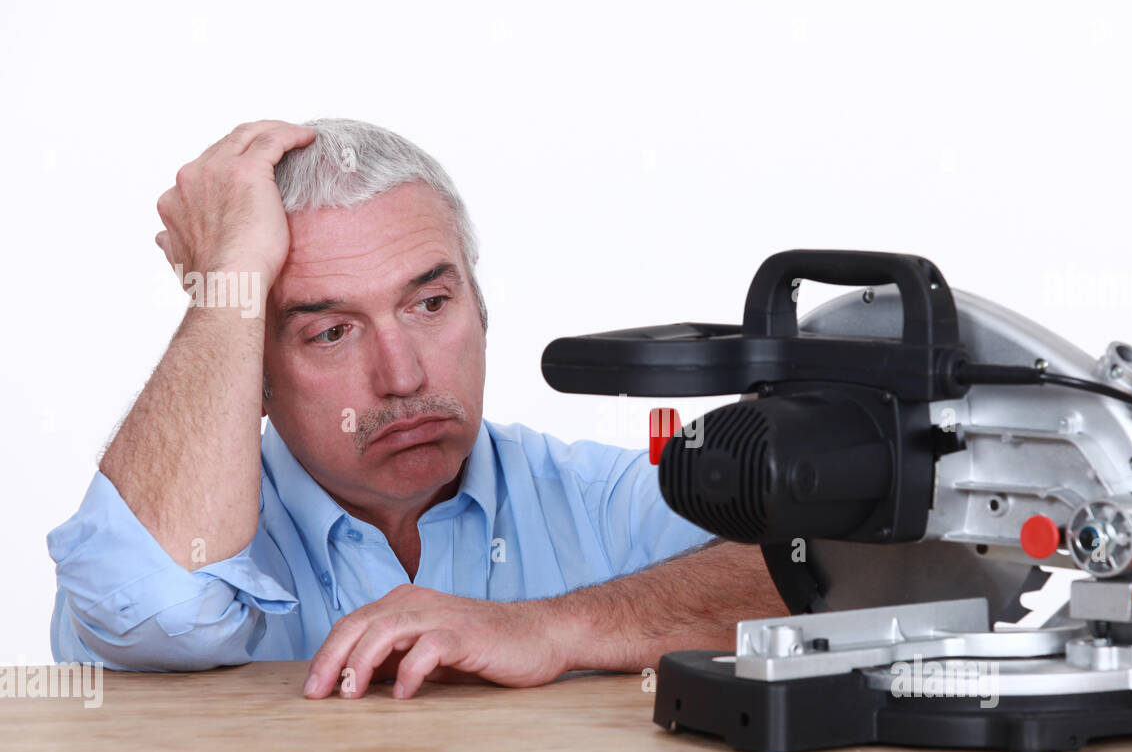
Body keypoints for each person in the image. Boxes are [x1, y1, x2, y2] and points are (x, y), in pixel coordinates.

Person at [46, 118, 786, 700]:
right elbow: (154, 609)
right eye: (330, 331)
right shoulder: (181, 537)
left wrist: (550, 629)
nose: (401, 377)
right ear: (256, 374)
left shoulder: (598, 504)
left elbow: (841, 572)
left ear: (481, 307)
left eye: (430, 303)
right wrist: (230, 276)